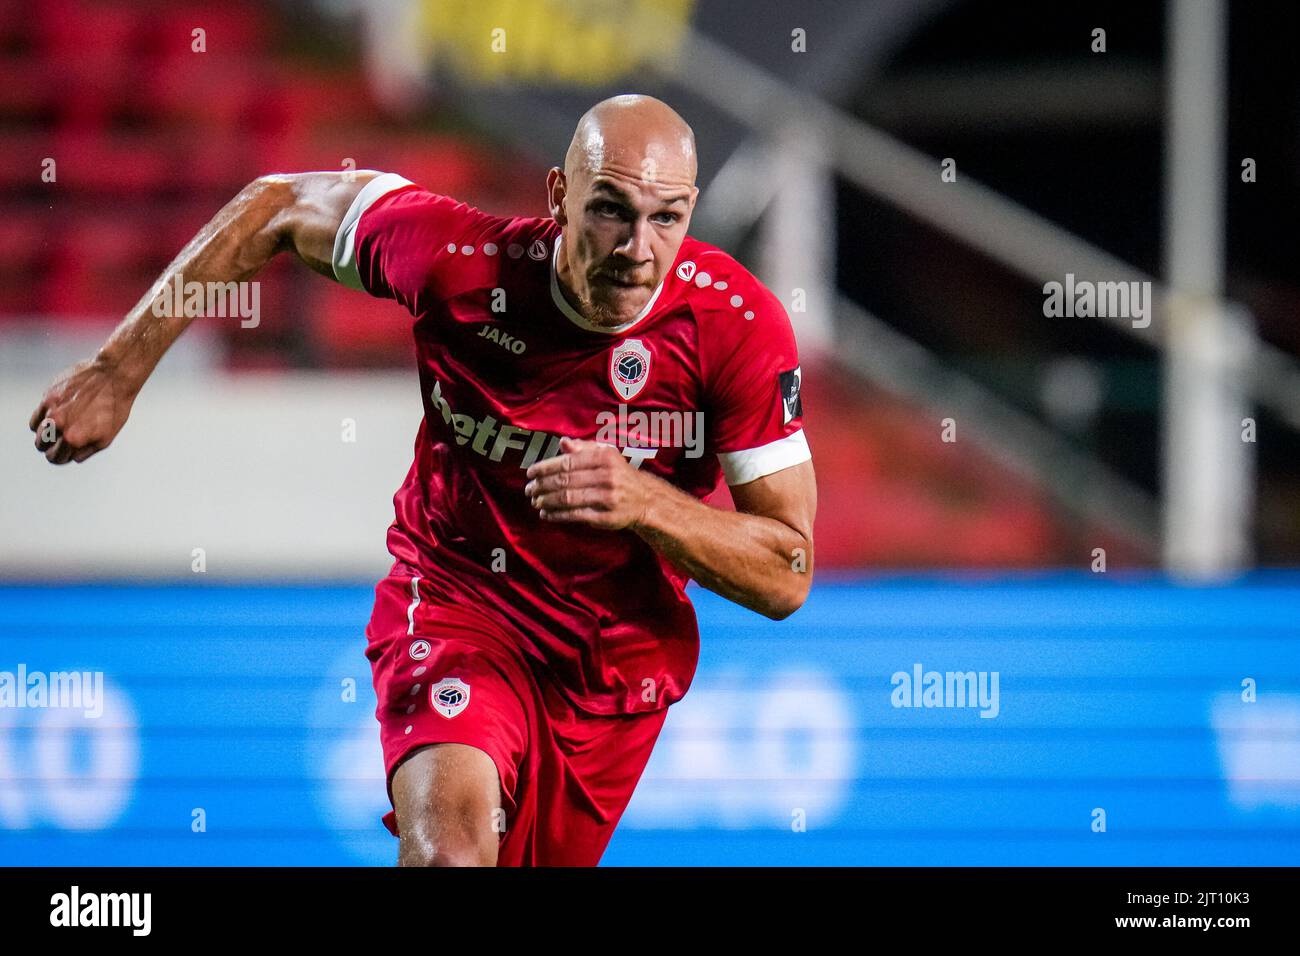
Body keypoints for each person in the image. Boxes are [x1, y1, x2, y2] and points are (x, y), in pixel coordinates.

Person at [28, 93, 817, 865]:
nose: (637, 247)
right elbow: (270, 206)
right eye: (610, 208)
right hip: (457, 603)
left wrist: (646, 502)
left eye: (667, 218)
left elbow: (787, 573)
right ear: (559, 194)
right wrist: (116, 369)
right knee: (450, 852)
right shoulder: (457, 259)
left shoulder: (733, 328)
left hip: (609, 669)